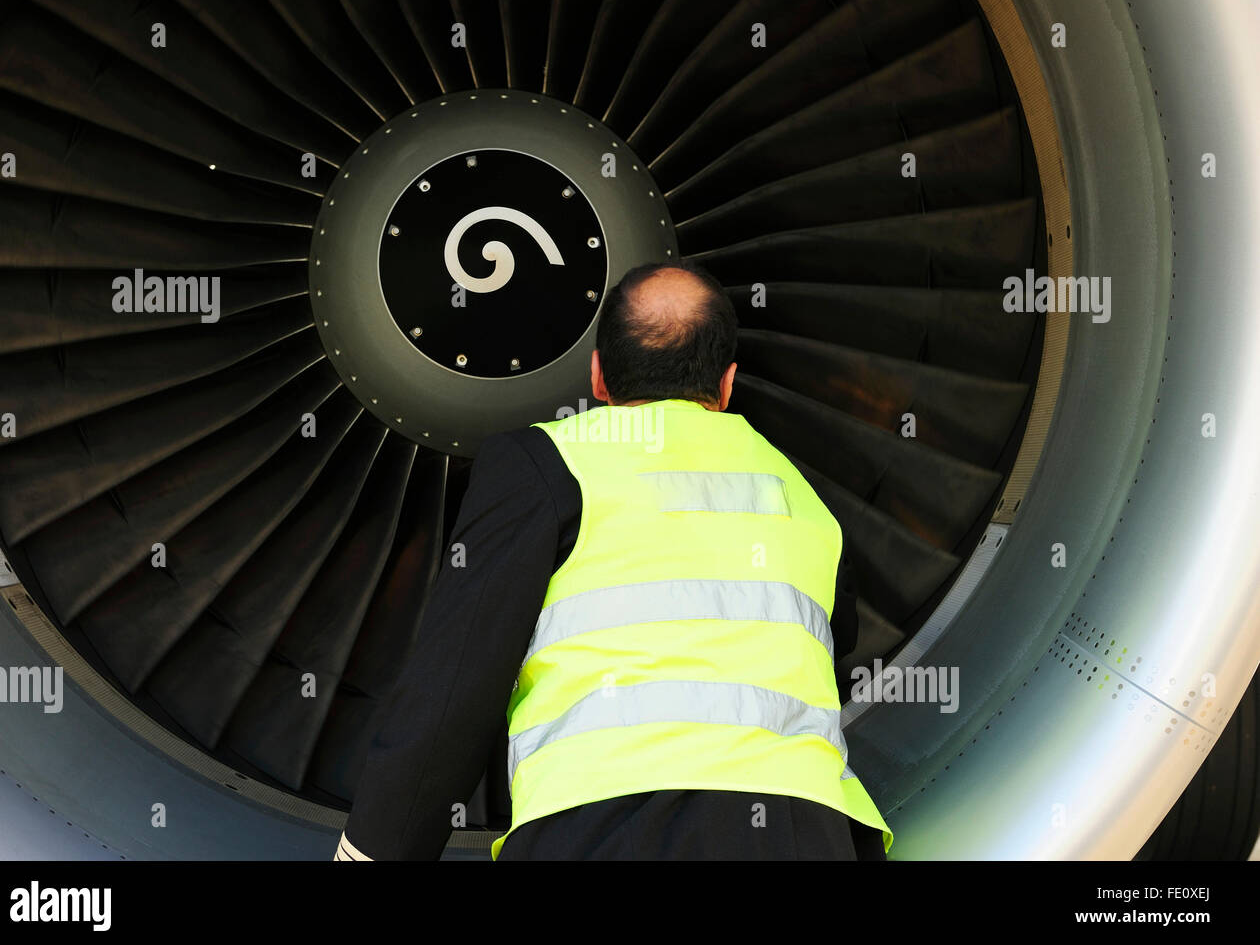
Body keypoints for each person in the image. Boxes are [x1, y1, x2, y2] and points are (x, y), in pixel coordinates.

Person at [336, 261, 892, 861]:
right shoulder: (805, 500)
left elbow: (455, 682)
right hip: (808, 837)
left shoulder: (547, 464)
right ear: (727, 384)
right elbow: (819, 673)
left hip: (609, 829)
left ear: (598, 377)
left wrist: (372, 851)